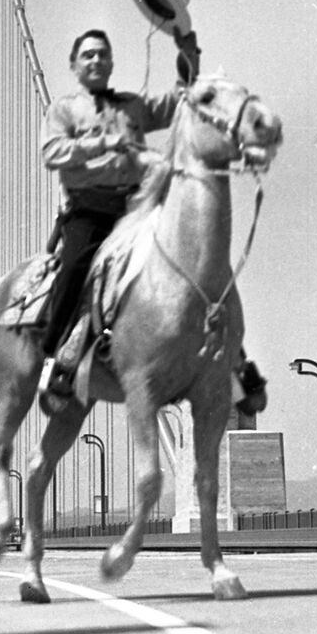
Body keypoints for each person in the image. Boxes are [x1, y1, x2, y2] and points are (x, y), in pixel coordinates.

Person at [36, 27, 200, 406]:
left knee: (187, 255)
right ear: (74, 65)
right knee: (75, 265)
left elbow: (180, 103)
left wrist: (188, 54)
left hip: (136, 207)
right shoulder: (62, 110)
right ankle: (54, 360)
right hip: (90, 210)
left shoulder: (132, 106)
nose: (96, 60)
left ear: (112, 62)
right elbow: (52, 153)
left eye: (102, 54)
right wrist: (102, 142)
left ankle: (225, 360)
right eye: (88, 55)